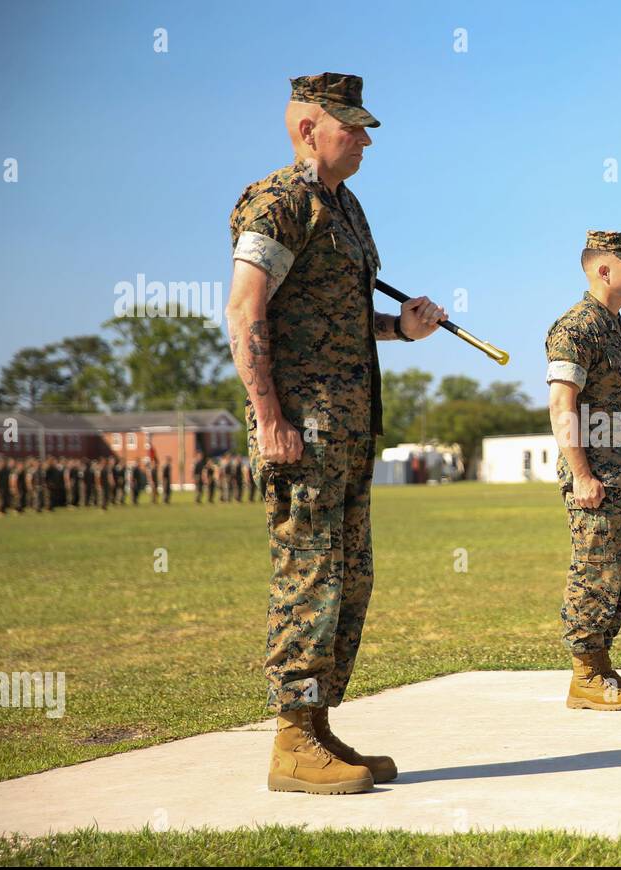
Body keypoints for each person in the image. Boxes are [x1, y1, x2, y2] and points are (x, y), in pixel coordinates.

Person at [226, 71, 445, 794]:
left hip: (348, 431)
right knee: (310, 576)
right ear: (307, 128)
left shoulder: (344, 208)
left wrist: (400, 330)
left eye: (365, 125)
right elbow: (245, 309)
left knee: (349, 580)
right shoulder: (282, 199)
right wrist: (270, 420)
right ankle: (291, 739)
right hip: (304, 432)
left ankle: (318, 725)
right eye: (350, 125)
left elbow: (340, 321)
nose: (364, 138)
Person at [545, 229, 621, 711]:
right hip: (596, 478)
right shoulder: (577, 327)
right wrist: (581, 474)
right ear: (603, 270)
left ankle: (602, 666)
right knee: (595, 572)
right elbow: (560, 403)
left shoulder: (615, 326)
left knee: (620, 575)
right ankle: (584, 675)